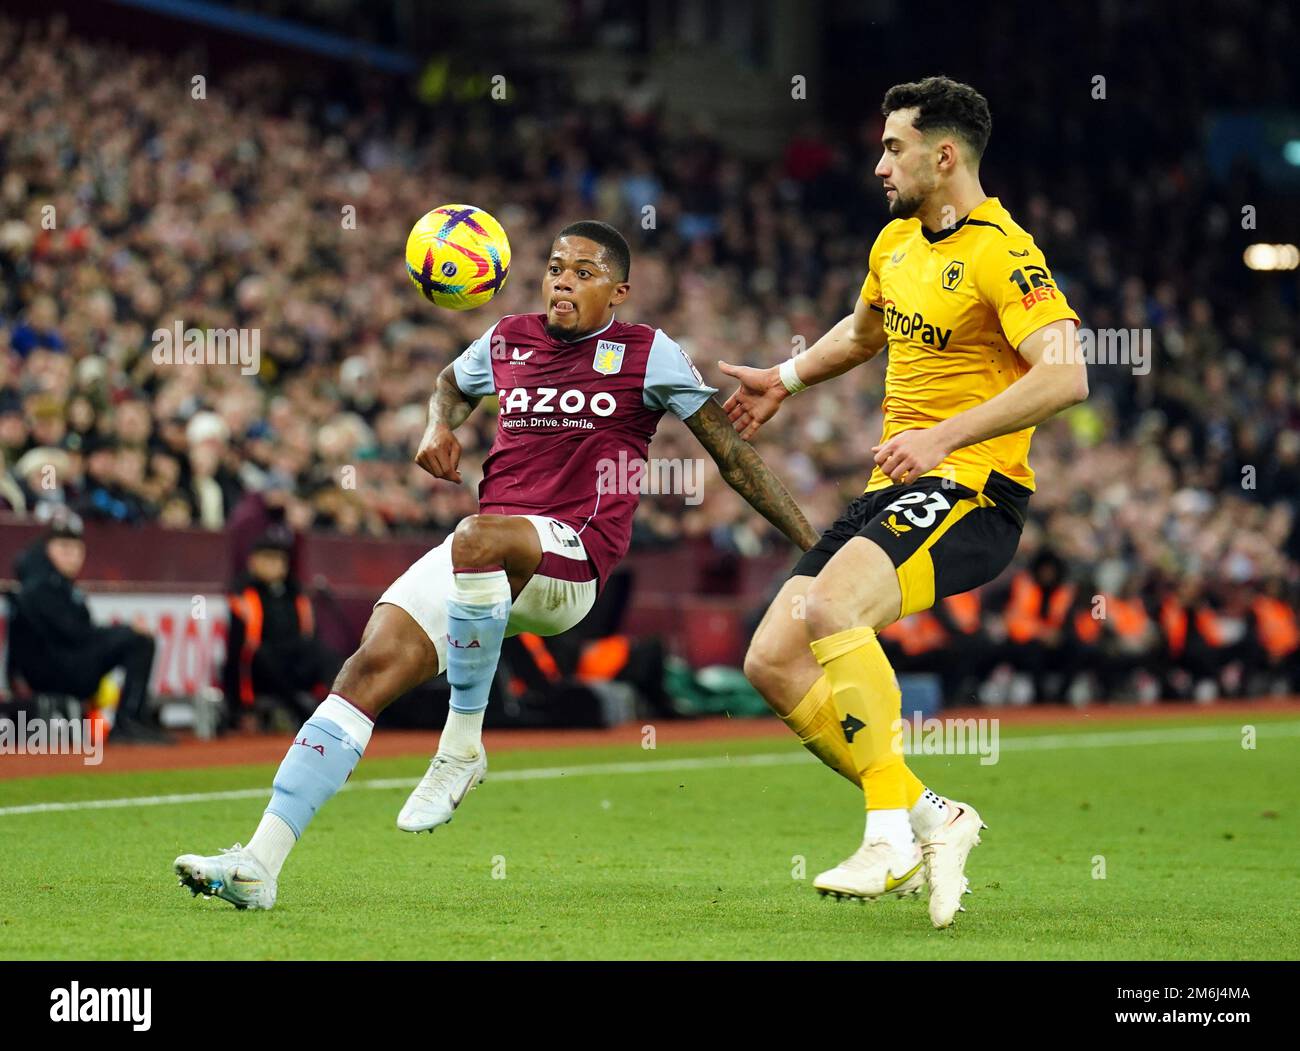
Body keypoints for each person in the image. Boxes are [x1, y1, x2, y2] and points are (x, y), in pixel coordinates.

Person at [174, 218, 818, 910]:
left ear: (619, 291)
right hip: (486, 553)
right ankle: (260, 863)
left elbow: (731, 454)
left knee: (478, 536)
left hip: (572, 555)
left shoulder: (647, 353)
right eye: (554, 266)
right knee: (366, 667)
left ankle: (460, 746)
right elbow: (450, 384)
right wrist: (438, 423)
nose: (562, 279)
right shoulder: (507, 337)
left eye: (582, 270)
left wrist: (816, 549)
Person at [719, 77, 1087, 927]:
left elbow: (1066, 373)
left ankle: (887, 834)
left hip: (975, 491)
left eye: (894, 146)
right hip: (897, 488)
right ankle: (934, 815)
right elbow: (862, 332)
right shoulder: (894, 243)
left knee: (834, 604)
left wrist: (945, 437)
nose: (880, 162)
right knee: (771, 661)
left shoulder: (1005, 250)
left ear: (944, 154)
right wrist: (782, 377)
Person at [9, 513, 168, 743]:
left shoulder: (58, 584)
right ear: (47, 549)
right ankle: (128, 721)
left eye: (76, 549)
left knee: (134, 638)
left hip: (64, 663)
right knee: (138, 641)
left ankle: (135, 718)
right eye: (63, 548)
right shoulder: (39, 586)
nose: (72, 556)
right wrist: (125, 630)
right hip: (53, 671)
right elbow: (76, 633)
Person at [223, 526, 340, 729]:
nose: (273, 565)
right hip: (261, 667)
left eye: (278, 559)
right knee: (264, 657)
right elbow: (238, 649)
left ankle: (335, 710)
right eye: (267, 558)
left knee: (325, 653)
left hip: (293, 659)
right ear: (253, 561)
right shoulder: (242, 594)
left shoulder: (296, 595)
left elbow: (309, 634)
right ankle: (302, 712)